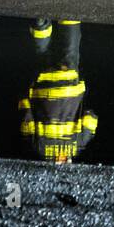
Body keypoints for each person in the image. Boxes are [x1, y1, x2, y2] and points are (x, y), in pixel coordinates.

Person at [19, 18, 98, 163]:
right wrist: (24, 99)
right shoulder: (39, 148)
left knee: (70, 50)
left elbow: (90, 118)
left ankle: (70, 17)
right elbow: (26, 119)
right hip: (43, 89)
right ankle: (40, 24)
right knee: (42, 53)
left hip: (69, 87)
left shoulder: (77, 146)